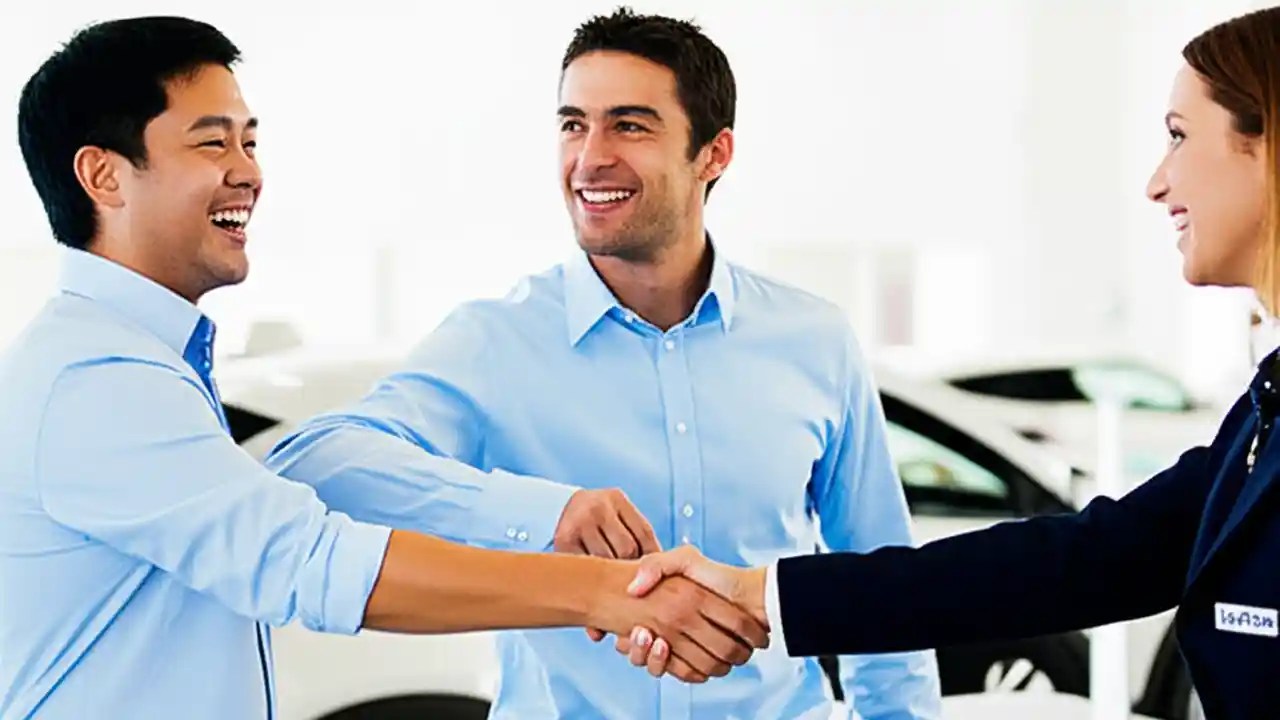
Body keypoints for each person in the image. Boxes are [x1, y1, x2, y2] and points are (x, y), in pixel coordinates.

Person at [0, 17, 767, 720]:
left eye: (250, 143)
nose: (249, 173)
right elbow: (310, 558)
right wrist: (606, 592)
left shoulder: (132, 363)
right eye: (212, 144)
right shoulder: (97, 379)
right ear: (104, 177)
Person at [264, 7, 941, 719]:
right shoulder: (495, 343)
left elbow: (885, 587)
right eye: (573, 124)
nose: (589, 157)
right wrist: (544, 512)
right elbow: (313, 463)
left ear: (713, 154)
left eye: (629, 126)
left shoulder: (814, 341)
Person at [619, 7, 1280, 719]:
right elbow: (1082, 561)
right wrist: (761, 596)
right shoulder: (1261, 415)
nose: (1157, 182)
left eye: (1179, 136)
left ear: (1268, 146)